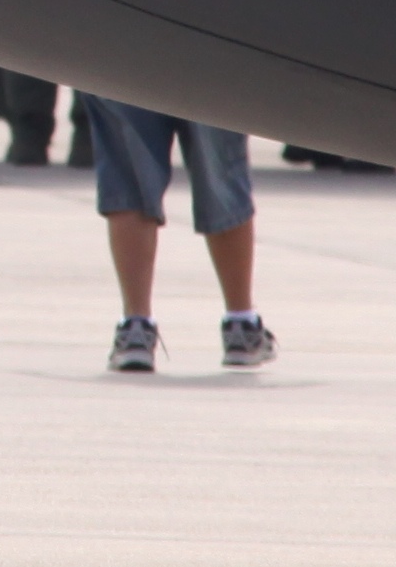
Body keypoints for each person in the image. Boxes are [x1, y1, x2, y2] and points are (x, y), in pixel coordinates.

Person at [74, 92, 273, 373]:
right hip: (210, 59)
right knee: (221, 175)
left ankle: (136, 327)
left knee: (127, 177)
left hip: (127, 54)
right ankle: (241, 323)